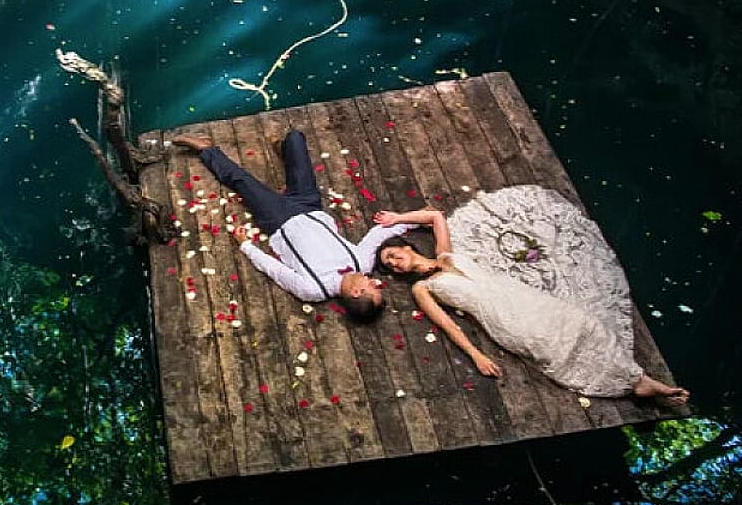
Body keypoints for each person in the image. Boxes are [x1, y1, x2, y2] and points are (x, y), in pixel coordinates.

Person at [373, 199, 689, 405]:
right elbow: (447, 324)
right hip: (502, 318)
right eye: (389, 265)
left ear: (409, 248)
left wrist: (397, 218)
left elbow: (435, 215)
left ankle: (637, 378)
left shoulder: (445, 252)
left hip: (521, 297)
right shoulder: (423, 289)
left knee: (583, 324)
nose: (394, 262)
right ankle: (636, 385)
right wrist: (476, 355)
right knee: (553, 346)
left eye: (393, 254)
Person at [170, 131, 432, 318]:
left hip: (278, 219)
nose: (375, 282)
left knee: (241, 181)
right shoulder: (362, 264)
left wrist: (247, 246)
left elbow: (274, 270)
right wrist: (416, 218)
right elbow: (378, 233)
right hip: (310, 207)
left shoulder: (312, 289)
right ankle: (285, 152)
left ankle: (206, 149)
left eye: (371, 289)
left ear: (354, 292)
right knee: (296, 138)